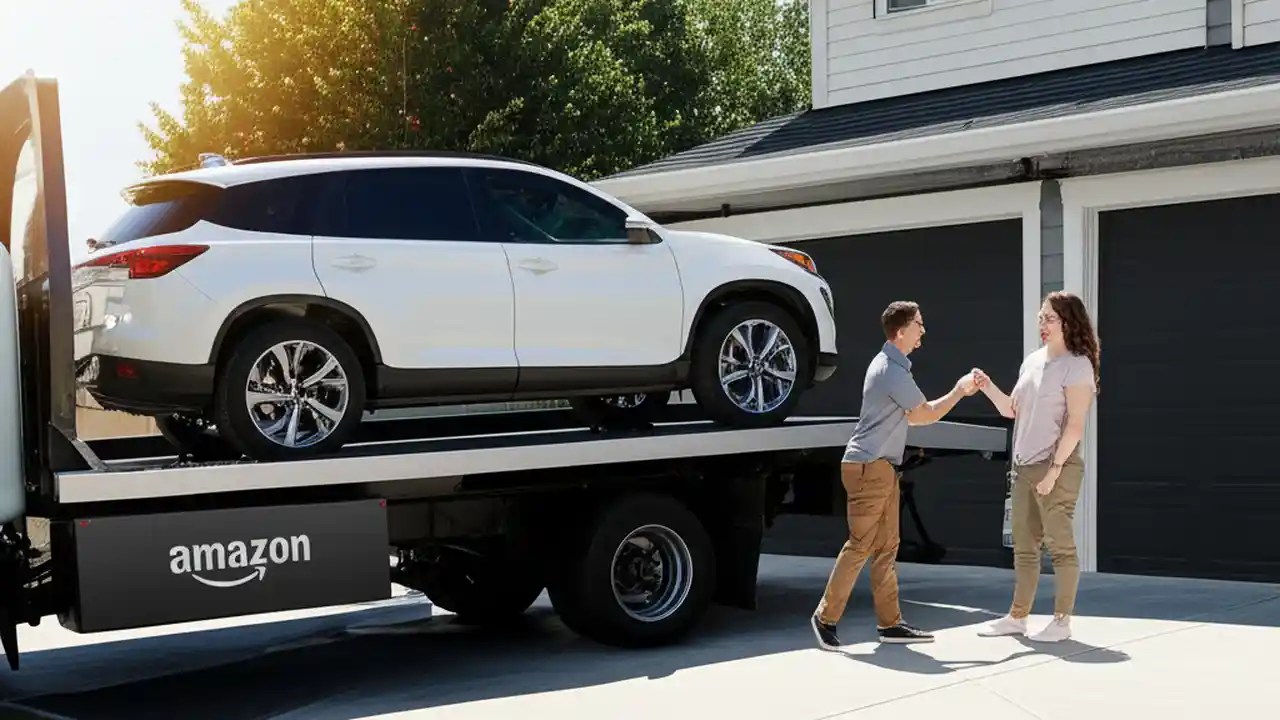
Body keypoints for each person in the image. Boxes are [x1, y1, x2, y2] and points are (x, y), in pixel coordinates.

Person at [811, 301, 981, 649]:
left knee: (887, 547)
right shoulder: (891, 370)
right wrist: (960, 391)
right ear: (902, 331)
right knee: (861, 546)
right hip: (869, 466)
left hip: (882, 467)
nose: (923, 330)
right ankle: (824, 617)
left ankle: (890, 625)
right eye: (919, 324)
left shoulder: (893, 365)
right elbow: (922, 415)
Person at [971, 291, 1100, 643]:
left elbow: (1075, 425)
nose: (1042, 324)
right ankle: (1017, 617)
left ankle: (1062, 621)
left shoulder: (1078, 364)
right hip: (1024, 467)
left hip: (1056, 466)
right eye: (1040, 317)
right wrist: (987, 387)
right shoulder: (1032, 361)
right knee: (1025, 549)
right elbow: (1012, 410)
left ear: (1069, 322)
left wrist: (1054, 471)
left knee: (1060, 547)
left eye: (1050, 319)